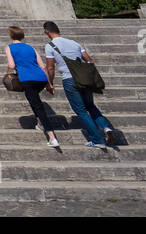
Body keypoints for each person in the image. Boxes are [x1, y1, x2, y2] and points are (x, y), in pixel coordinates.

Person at [43, 21, 117, 150]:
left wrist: (49, 83)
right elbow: (89, 60)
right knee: (90, 105)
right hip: (84, 79)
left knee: (81, 110)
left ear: (47, 31)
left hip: (69, 80)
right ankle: (105, 127)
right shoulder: (74, 43)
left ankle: (97, 139)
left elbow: (50, 67)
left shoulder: (50, 46)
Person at [5, 26, 59, 147]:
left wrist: (18, 64)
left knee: (37, 105)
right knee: (34, 100)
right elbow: (43, 66)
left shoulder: (9, 47)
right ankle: (40, 122)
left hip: (27, 78)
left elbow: (12, 65)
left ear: (11, 36)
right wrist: (49, 84)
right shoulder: (30, 47)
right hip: (40, 78)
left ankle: (51, 136)